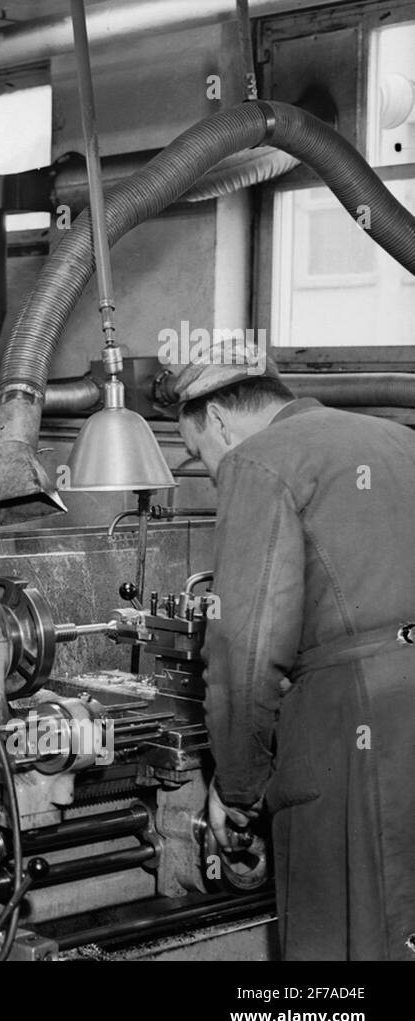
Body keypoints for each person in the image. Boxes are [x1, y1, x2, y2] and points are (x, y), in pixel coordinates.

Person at [172, 341, 415, 961]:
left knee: (342, 944)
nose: (215, 470)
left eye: (201, 455)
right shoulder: (396, 438)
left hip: (352, 729)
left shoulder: (261, 462)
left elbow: (246, 653)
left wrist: (238, 785)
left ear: (219, 420)